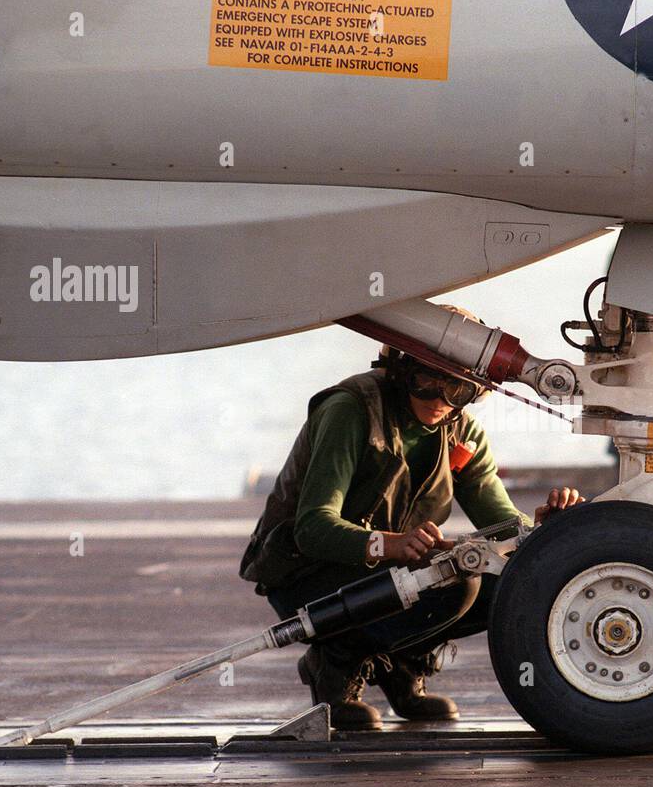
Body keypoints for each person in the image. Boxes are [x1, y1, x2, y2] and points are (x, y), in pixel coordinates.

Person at [241, 310, 583, 729]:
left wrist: (544, 532)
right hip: (308, 574)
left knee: (513, 578)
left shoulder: (462, 434)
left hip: (390, 574)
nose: (440, 399)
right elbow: (312, 528)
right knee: (457, 586)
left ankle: (402, 661)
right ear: (400, 372)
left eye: (456, 387)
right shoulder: (350, 412)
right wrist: (390, 543)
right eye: (427, 381)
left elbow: (503, 526)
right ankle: (335, 661)